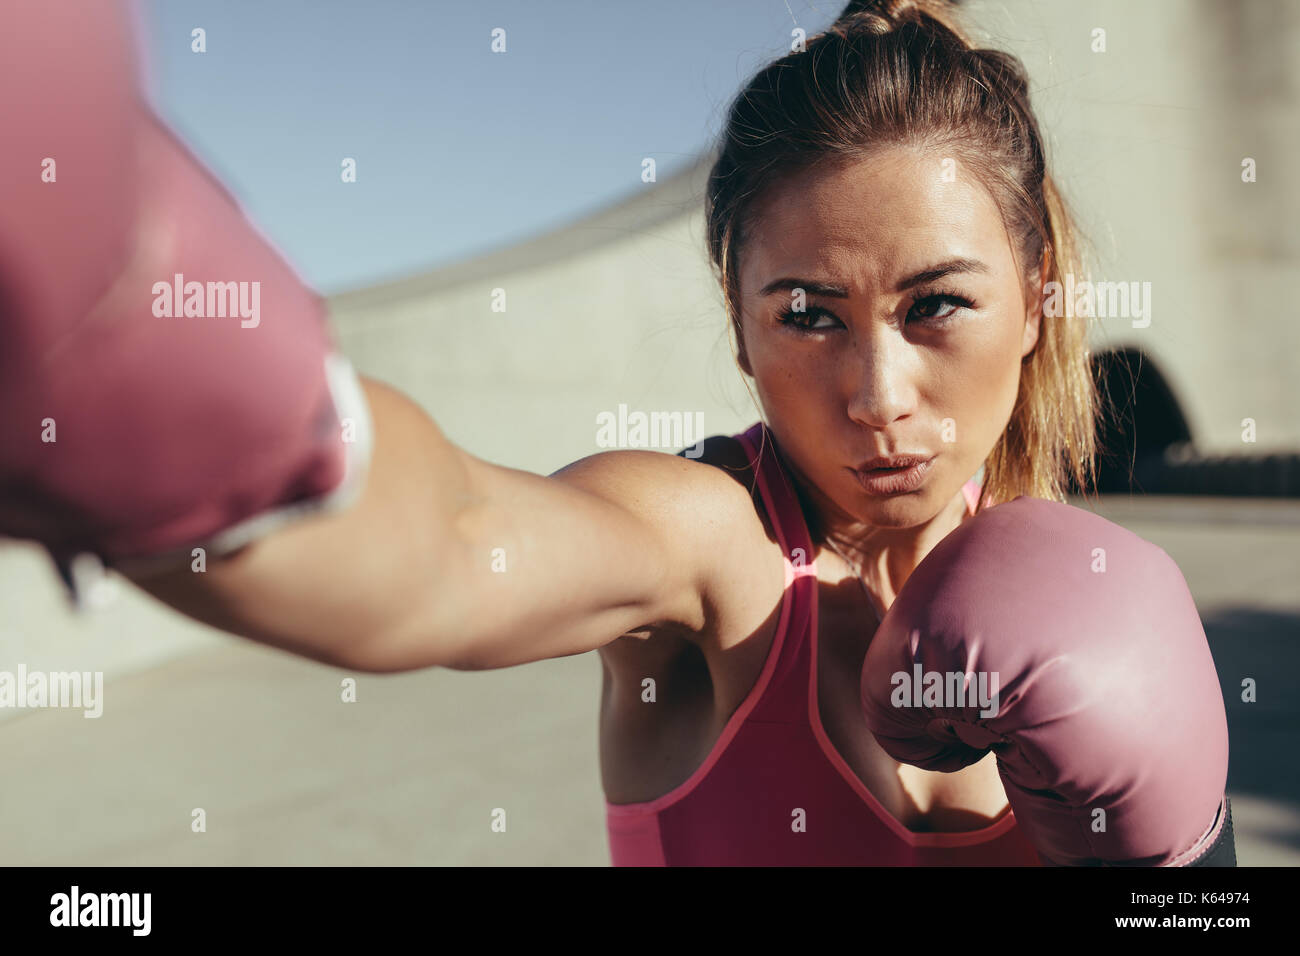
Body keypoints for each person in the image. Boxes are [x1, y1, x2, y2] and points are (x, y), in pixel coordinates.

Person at [2, 0, 1231, 865]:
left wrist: (1191, 860)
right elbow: (451, 543)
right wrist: (120, 333)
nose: (877, 390)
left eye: (936, 304)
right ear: (737, 326)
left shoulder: (1080, 583)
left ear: (1037, 292)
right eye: (806, 314)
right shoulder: (711, 548)